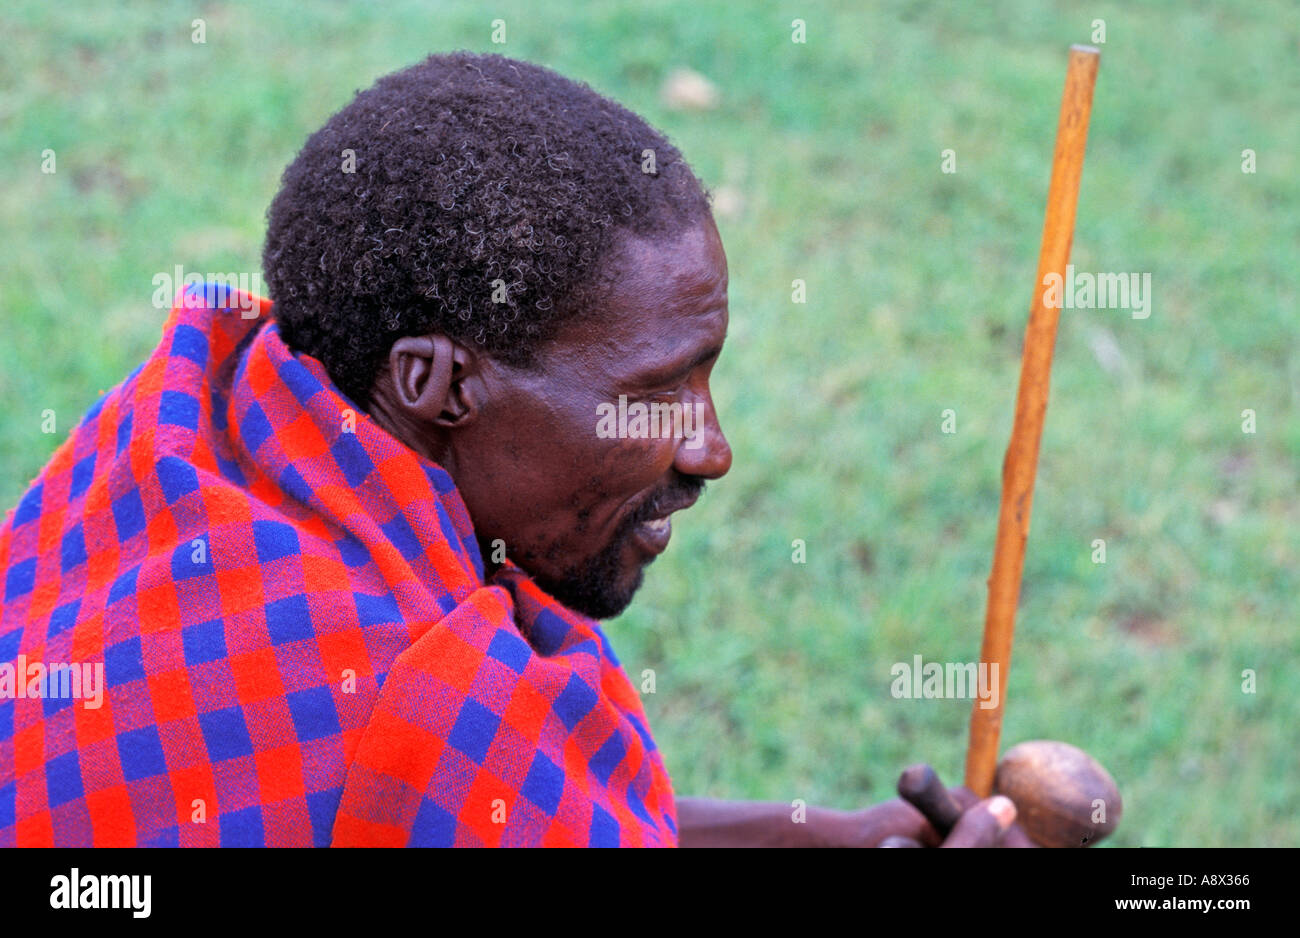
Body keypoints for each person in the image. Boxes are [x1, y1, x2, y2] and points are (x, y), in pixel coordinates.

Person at [0, 51, 1020, 847]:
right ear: (435, 383)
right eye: (652, 392)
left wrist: (815, 834)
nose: (709, 451)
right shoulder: (419, 702)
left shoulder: (205, 403)